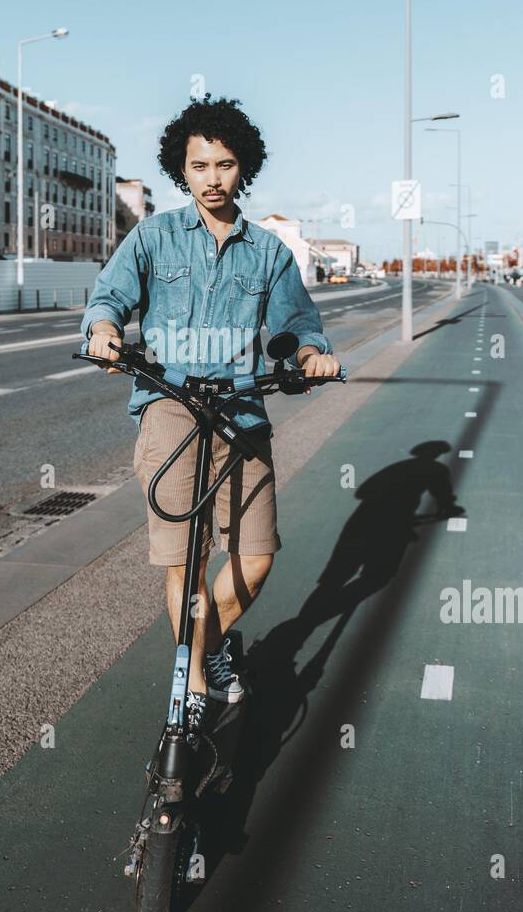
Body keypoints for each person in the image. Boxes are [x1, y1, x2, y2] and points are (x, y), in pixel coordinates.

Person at [80, 94, 339, 744]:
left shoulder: (269, 254)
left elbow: (299, 323)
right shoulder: (154, 236)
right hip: (170, 403)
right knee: (185, 563)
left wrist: (312, 354)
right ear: (182, 169)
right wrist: (106, 331)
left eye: (225, 164)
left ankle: (208, 648)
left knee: (254, 560)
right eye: (200, 165)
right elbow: (108, 297)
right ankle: (194, 684)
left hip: (242, 405)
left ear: (242, 168)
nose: (213, 178)